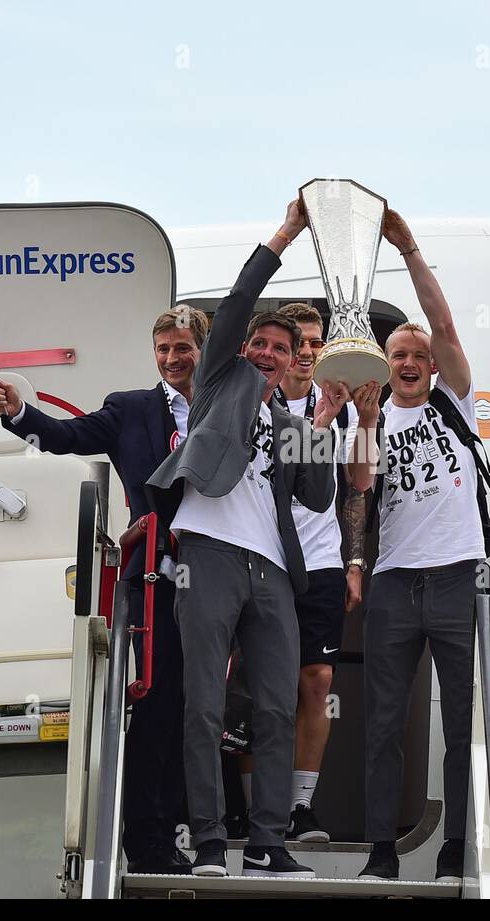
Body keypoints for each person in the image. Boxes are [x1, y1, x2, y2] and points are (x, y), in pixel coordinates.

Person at [146, 199, 345, 878]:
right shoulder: (218, 383)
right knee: (203, 702)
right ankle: (206, 842)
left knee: (275, 707)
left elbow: (320, 497)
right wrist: (287, 232)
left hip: (272, 570)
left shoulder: (294, 425)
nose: (267, 352)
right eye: (259, 344)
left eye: (280, 350)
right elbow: (237, 302)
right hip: (208, 551)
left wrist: (319, 425)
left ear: (293, 364)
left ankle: (268, 841)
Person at [0, 303, 207, 876]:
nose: (172, 359)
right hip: (160, 578)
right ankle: (151, 841)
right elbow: (65, 437)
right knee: (160, 708)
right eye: (163, 349)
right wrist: (19, 413)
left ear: (202, 349)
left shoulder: (225, 408)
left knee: (204, 709)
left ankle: (205, 833)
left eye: (182, 348)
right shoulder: (130, 409)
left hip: (225, 579)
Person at [347, 209, 486, 883]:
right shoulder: (366, 414)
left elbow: (445, 321)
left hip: (458, 576)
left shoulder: (455, 400)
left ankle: (456, 847)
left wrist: (408, 251)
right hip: (397, 582)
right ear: (386, 365)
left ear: (435, 365)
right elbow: (360, 485)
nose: (407, 363)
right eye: (397, 355)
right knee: (383, 725)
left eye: (417, 356)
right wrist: (367, 424)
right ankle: (381, 849)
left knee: (460, 728)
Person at [268, 302, 369, 843]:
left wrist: (354, 560)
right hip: (265, 558)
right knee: (259, 687)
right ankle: (257, 807)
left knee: (318, 680)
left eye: (316, 342)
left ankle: (300, 807)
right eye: (299, 342)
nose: (308, 352)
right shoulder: (257, 403)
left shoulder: (345, 409)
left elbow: (357, 485)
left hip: (323, 563)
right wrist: (321, 421)